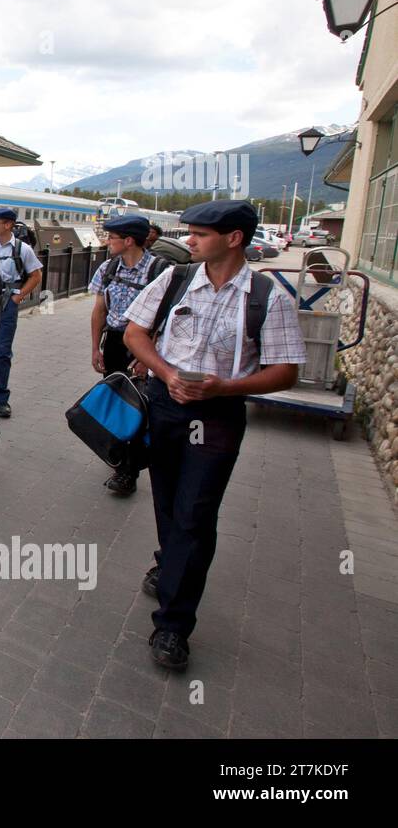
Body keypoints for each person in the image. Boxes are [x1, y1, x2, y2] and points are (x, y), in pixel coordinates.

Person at [122, 200, 305, 671]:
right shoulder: (177, 280)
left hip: (218, 414)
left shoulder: (267, 296)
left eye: (200, 234)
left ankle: (173, 626)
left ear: (234, 238)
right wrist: (166, 372)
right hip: (165, 406)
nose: (189, 241)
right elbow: (135, 334)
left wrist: (228, 386)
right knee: (167, 502)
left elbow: (285, 371)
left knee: (196, 513)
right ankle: (170, 561)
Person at [88, 214, 158, 496]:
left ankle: (129, 471)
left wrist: (146, 357)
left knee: (139, 407)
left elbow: (165, 320)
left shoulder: (159, 271)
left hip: (145, 344)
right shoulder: (108, 268)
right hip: (116, 341)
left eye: (112, 237)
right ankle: (119, 455)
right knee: (118, 401)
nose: (107, 242)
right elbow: (99, 310)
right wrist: (95, 347)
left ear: (128, 240)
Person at [0, 206, 43, 418]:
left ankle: (1, 398)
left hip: (7, 303)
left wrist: (19, 296)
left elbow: (36, 275)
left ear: (8, 225)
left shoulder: (22, 249)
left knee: (3, 351)